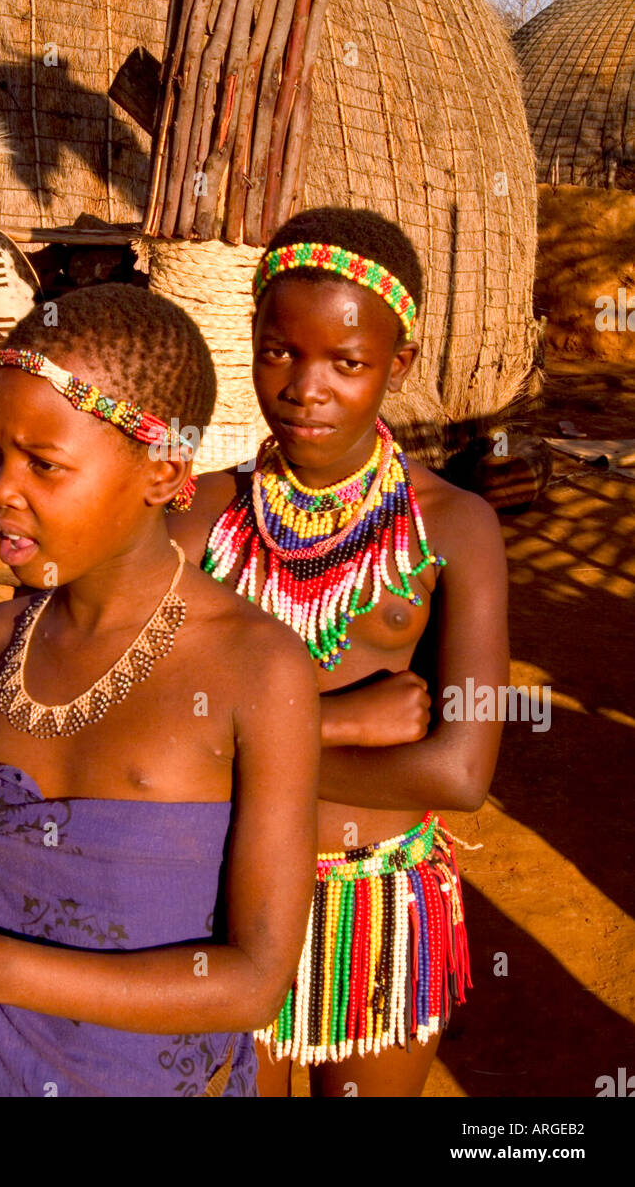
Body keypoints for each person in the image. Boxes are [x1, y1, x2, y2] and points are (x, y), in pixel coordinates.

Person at [0, 285, 320, 1098]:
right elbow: (0, 892)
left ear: (163, 472)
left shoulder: (256, 670)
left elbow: (254, 983)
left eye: (44, 463)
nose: (2, 487)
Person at [168, 209, 509, 1098]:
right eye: (280, 352)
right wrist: (339, 724)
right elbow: (149, 722)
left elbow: (460, 773)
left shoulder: (455, 528)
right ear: (253, 340)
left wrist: (245, 752)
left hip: (383, 903)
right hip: (226, 890)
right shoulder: (198, 516)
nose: (305, 388)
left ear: (397, 364)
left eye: (347, 363)